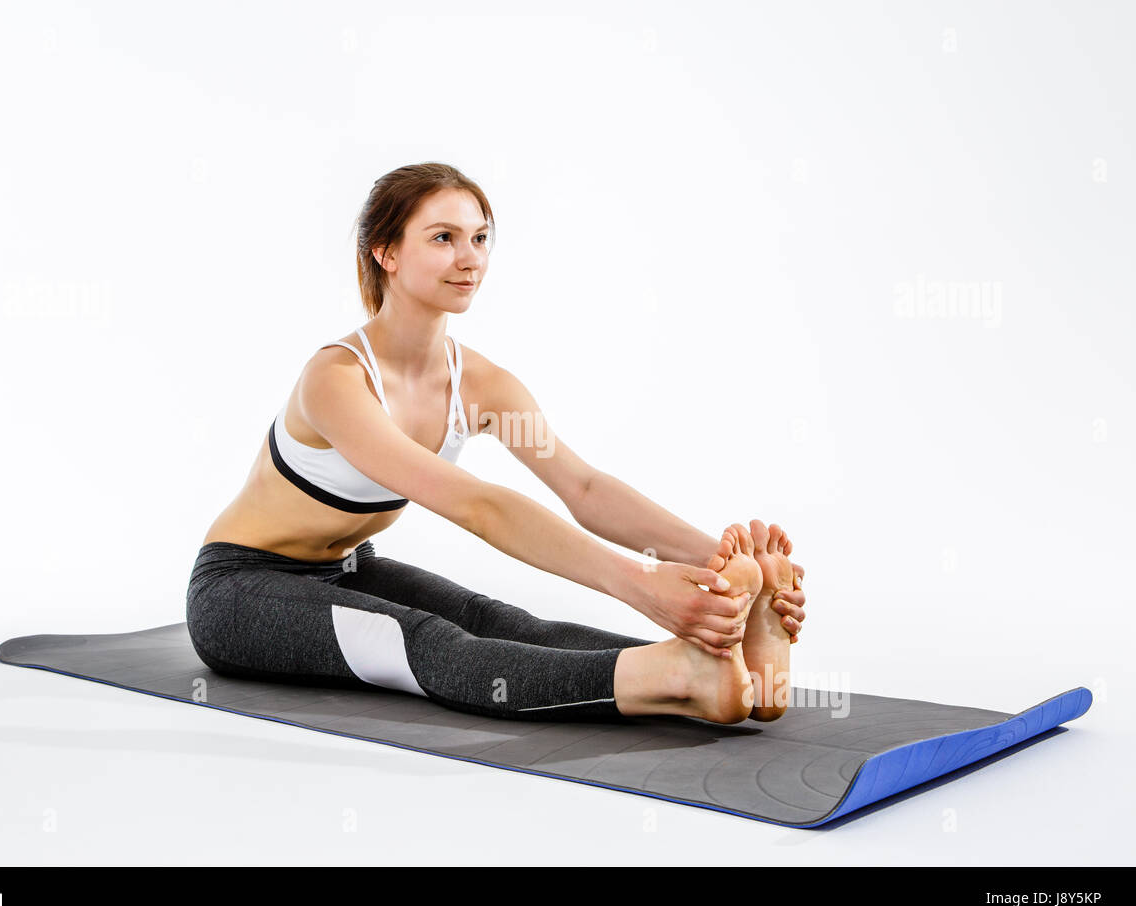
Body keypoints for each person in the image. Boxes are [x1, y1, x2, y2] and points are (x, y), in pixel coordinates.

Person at [186, 162, 807, 724]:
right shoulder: (338, 381)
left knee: (502, 622)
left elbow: (585, 488)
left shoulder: (482, 387)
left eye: (480, 237)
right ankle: (679, 675)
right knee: (429, 642)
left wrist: (718, 570)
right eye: (443, 238)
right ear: (386, 253)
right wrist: (640, 584)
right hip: (238, 590)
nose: (470, 258)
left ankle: (728, 671)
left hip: (348, 570)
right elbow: (478, 505)